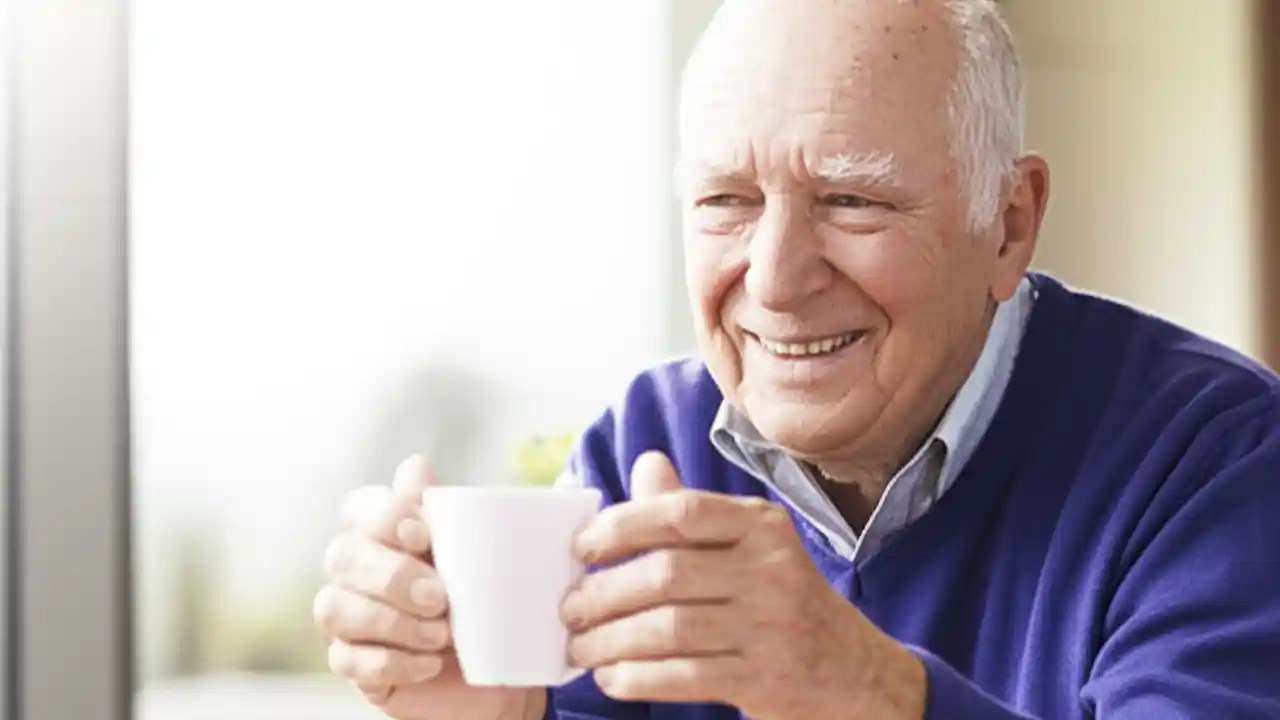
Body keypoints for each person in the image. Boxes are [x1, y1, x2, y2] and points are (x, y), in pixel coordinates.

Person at [313, 0, 1280, 717]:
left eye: (852, 201)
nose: (775, 280)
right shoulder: (645, 448)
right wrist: (492, 712)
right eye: (727, 201)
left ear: (1009, 223)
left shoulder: (1221, 465)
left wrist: (870, 693)